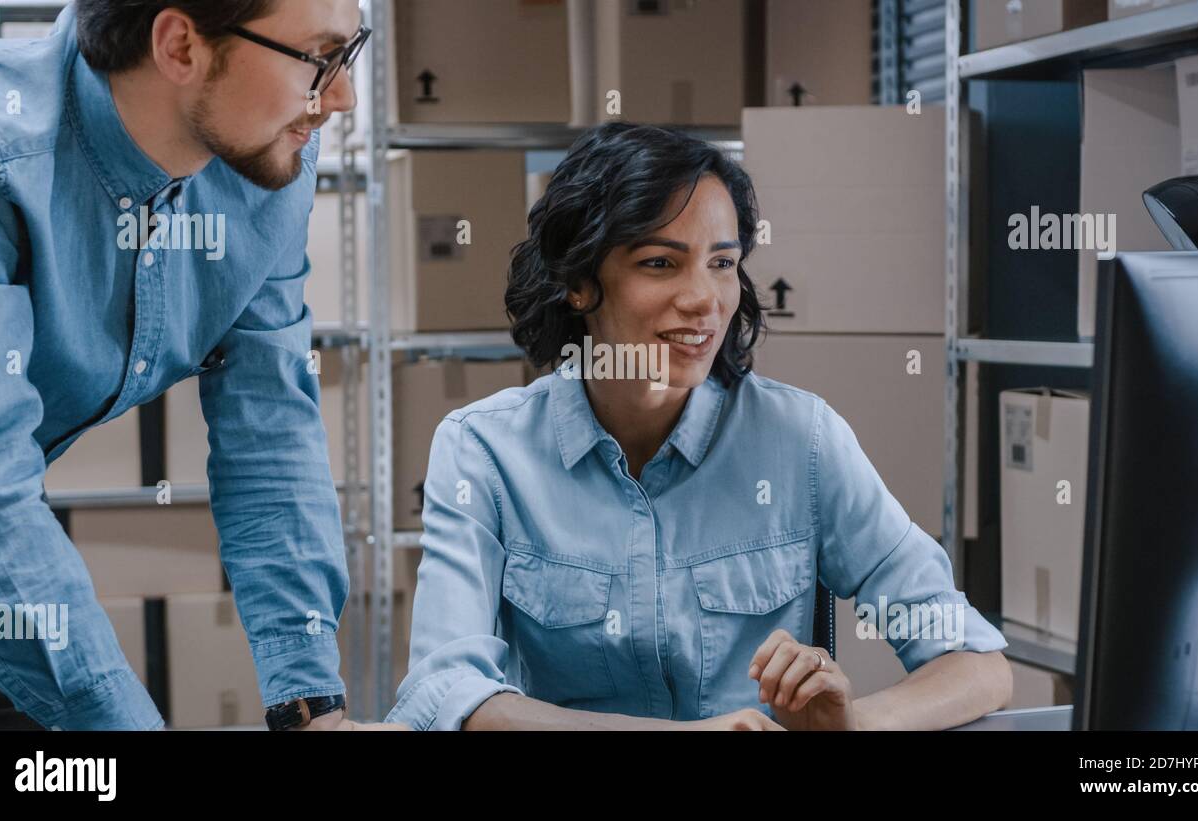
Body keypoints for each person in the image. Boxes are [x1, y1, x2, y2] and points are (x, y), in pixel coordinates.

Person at [386, 122, 1013, 731]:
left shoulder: (802, 441)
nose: (704, 300)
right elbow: (447, 693)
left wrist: (855, 723)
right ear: (578, 282)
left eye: (721, 263)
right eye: (661, 263)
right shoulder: (484, 451)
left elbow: (976, 664)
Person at [0, 1, 394, 731]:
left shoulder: (261, 166)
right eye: (318, 59)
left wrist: (310, 706)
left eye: (349, 53)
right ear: (180, 46)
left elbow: (270, 428)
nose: (343, 97)